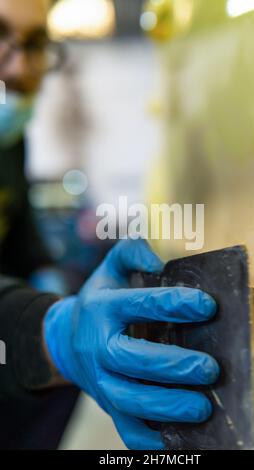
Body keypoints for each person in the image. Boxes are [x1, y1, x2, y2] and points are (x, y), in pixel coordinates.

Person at [0, 0, 219, 450]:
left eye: (37, 44)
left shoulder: (8, 144)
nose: (19, 67)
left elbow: (22, 242)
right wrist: (47, 328)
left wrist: (52, 281)